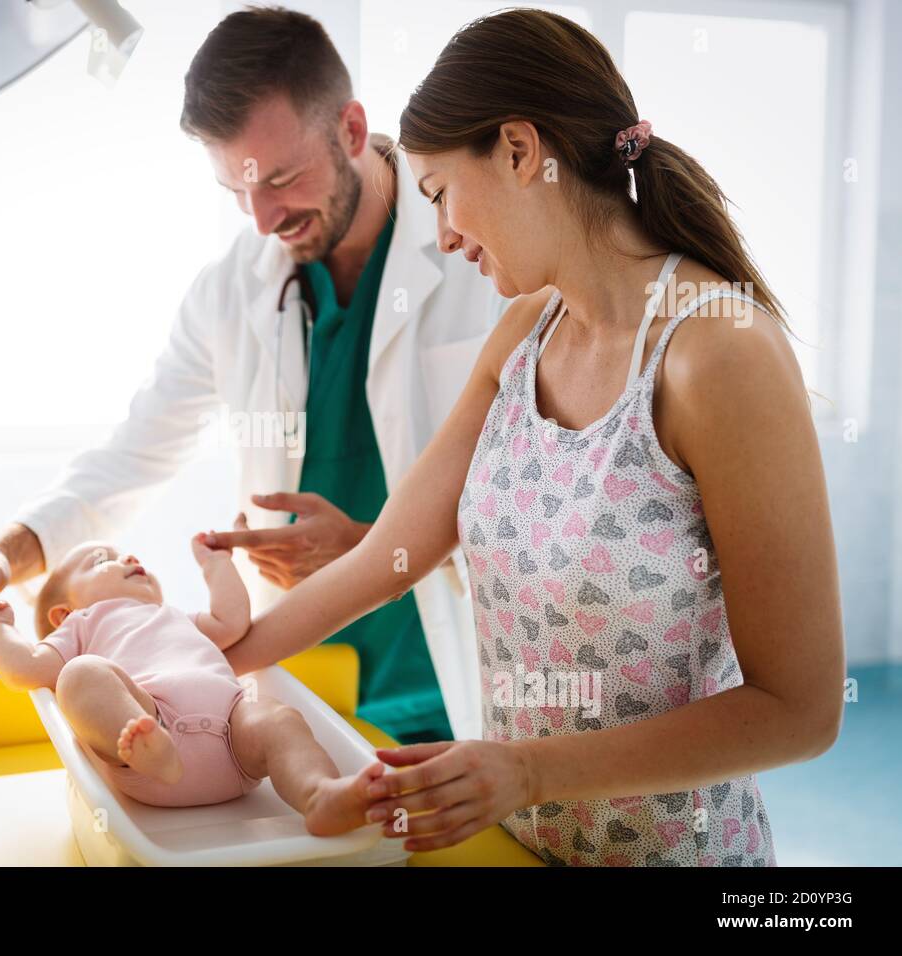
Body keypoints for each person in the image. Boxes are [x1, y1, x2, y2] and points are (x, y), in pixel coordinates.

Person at [221, 8, 844, 864]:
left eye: (440, 193)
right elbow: (391, 557)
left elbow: (800, 710)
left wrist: (526, 770)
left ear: (519, 151)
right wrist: (209, 654)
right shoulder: (524, 333)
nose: (440, 235)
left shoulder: (718, 355)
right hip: (524, 846)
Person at [0, 7, 502, 746]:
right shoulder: (232, 292)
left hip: (457, 682)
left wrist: (371, 546)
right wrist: (2, 556)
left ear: (352, 130)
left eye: (282, 180)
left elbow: (546, 496)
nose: (262, 220)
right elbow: (130, 459)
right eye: (237, 192)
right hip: (297, 692)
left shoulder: (480, 251)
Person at [0, 538, 384, 832]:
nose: (128, 557)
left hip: (234, 736)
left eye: (124, 553)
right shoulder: (82, 625)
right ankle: (151, 748)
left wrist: (216, 563)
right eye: (102, 560)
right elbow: (23, 668)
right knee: (78, 675)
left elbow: (233, 619)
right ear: (63, 613)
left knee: (277, 718)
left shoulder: (179, 617)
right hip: (146, 731)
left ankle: (320, 794)